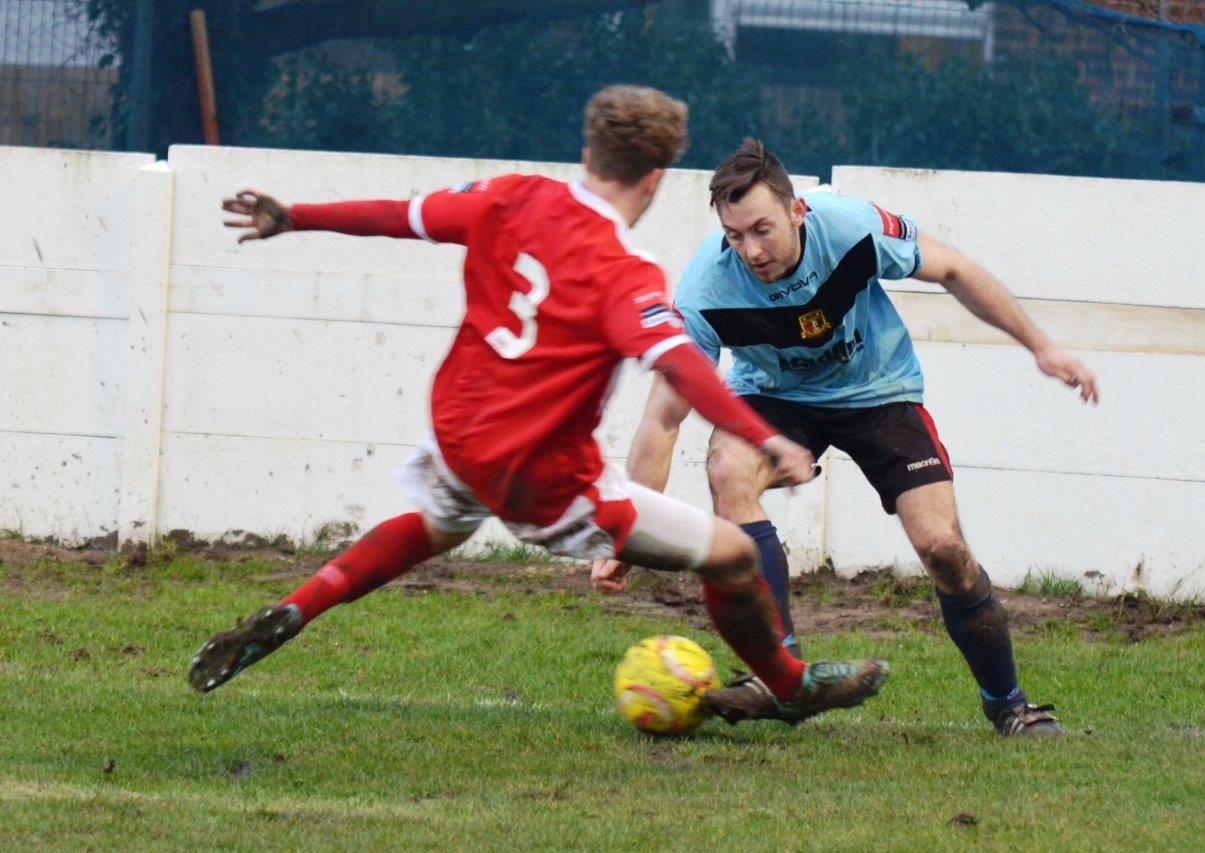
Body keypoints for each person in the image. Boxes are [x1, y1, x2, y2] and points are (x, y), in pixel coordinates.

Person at [187, 87, 889, 725]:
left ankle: (296, 606)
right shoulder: (624, 272)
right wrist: (761, 435)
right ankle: (790, 684)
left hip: (461, 433)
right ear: (654, 180)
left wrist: (295, 216)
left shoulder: (508, 196)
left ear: (586, 154)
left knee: (437, 524)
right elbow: (680, 364)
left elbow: (400, 216)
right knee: (733, 555)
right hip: (543, 478)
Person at [593, 139, 1099, 737]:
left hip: (879, 391)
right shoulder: (708, 288)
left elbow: (955, 268)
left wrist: (1040, 345)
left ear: (797, 211)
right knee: (729, 469)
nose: (750, 251)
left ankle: (1009, 704)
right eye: (734, 235)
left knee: (943, 548)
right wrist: (627, 535)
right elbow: (662, 417)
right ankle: (777, 676)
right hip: (776, 400)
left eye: (762, 229)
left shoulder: (853, 226)